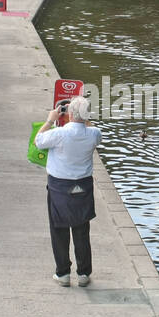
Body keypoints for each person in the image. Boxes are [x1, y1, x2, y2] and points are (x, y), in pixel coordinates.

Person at [33, 95, 102, 287]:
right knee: (82, 230)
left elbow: (38, 141)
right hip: (83, 187)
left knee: (59, 229)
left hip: (59, 186)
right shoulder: (94, 134)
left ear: (69, 113)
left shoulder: (59, 134)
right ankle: (83, 273)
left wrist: (50, 119)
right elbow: (91, 129)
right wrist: (83, 116)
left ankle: (63, 273)